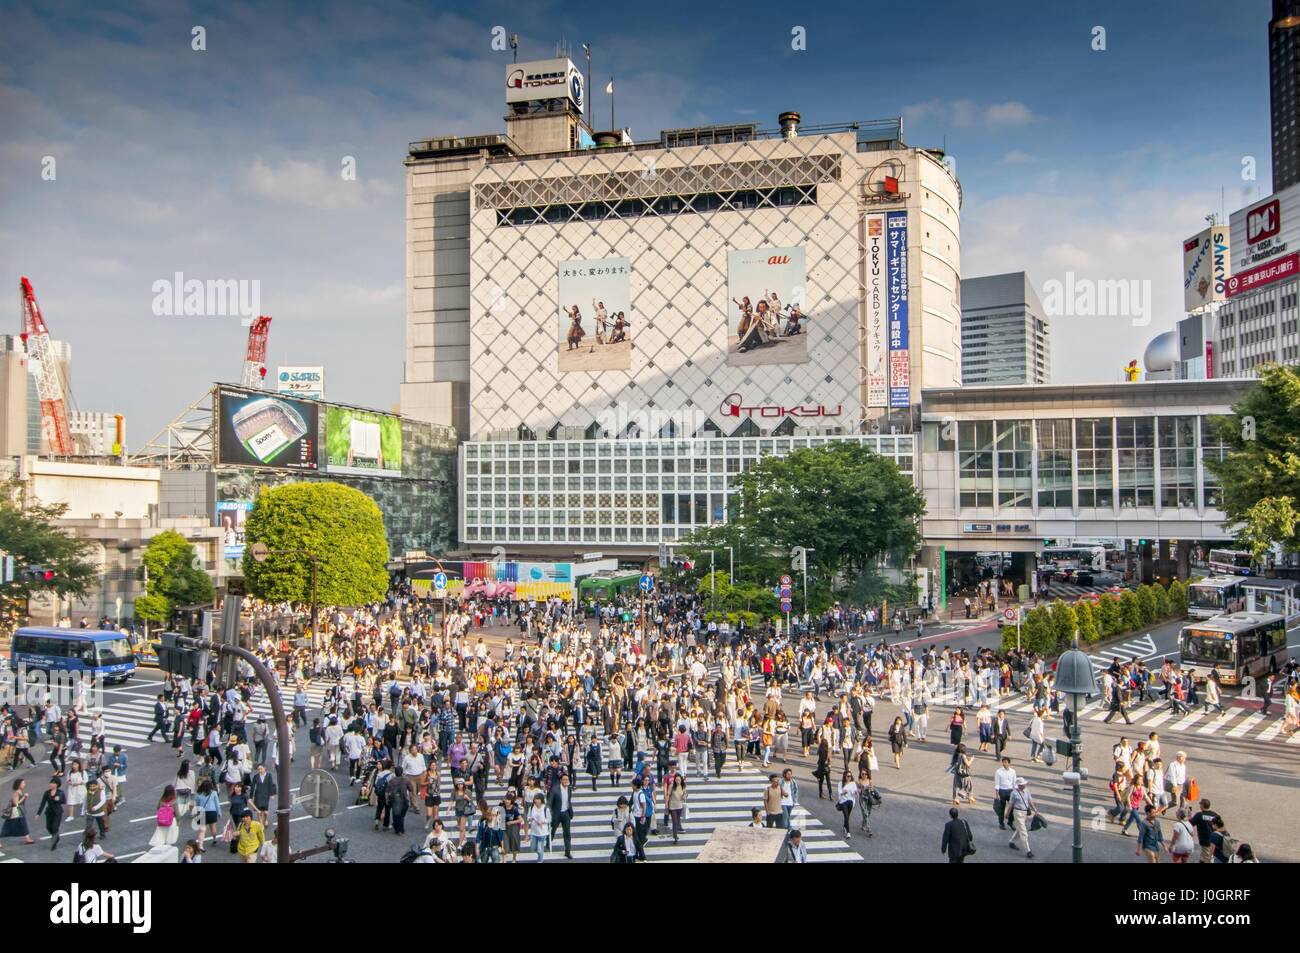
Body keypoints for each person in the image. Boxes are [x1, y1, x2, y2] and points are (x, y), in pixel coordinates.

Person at [1007, 778, 1037, 860]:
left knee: (1019, 829)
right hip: (1018, 813)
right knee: (1024, 832)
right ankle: (1028, 851)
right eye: (1023, 784)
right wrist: (1007, 813)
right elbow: (1011, 804)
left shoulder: (1027, 790)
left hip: (1025, 813)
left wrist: (1034, 809)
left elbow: (1030, 801)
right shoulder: (1014, 793)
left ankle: (1012, 841)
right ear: (1019, 785)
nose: (1025, 785)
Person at [0, 778, 34, 849]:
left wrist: (24, 797)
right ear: (19, 785)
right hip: (15, 812)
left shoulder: (20, 792)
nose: (24, 784)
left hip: (20, 811)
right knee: (8, 826)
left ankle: (27, 838)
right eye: (23, 783)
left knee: (23, 824)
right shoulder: (16, 793)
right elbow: (16, 803)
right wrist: (24, 797)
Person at [546, 772, 574, 859]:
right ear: (560, 780)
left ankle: (567, 851)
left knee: (567, 833)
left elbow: (568, 800)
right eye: (564, 779)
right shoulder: (555, 789)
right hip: (556, 814)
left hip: (566, 813)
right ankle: (548, 842)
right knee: (553, 829)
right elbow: (549, 802)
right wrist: (548, 813)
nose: (566, 781)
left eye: (567, 780)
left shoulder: (569, 789)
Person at [1189, 799, 1222, 864]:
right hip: (1215, 840)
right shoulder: (1215, 815)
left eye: (1200, 804)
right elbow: (1220, 827)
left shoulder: (1199, 815)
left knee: (1208, 859)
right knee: (1203, 858)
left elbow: (1190, 824)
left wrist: (1190, 816)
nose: (1199, 805)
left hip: (1205, 841)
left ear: (1202, 805)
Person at [38, 778, 66, 851]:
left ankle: (54, 843)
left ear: (57, 785)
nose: (51, 784)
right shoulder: (47, 793)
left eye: (53, 783)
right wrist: (38, 813)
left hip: (57, 812)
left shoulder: (60, 792)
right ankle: (56, 836)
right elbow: (43, 803)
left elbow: (64, 801)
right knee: (48, 827)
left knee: (55, 827)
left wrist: (59, 799)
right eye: (50, 783)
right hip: (49, 812)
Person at [836, 770, 858, 837]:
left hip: (850, 801)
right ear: (845, 776)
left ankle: (845, 826)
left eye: (850, 776)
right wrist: (843, 793)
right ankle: (848, 832)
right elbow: (839, 792)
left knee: (847, 816)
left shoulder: (853, 783)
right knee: (846, 816)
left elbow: (854, 793)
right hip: (843, 801)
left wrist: (856, 792)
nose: (849, 777)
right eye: (848, 776)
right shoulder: (840, 783)